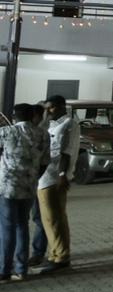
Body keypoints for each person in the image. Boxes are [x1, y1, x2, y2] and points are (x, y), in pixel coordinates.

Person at [1, 104, 51, 282]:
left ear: (14, 116)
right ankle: (21, 269)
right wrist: (34, 177)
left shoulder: (6, 132)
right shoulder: (43, 134)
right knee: (22, 225)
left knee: (7, 228)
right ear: (32, 116)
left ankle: (4, 270)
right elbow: (45, 161)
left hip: (7, 187)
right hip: (29, 187)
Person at [36, 95, 80, 274]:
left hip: (54, 178)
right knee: (49, 219)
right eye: (46, 108)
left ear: (62, 106)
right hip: (44, 178)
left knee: (55, 219)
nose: (48, 111)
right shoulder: (51, 124)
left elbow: (65, 152)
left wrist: (62, 175)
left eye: (52, 108)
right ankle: (54, 254)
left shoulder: (69, 124)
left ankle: (61, 257)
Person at [28, 104, 48, 267]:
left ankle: (38, 253)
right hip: (30, 182)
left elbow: (45, 161)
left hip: (39, 183)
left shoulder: (44, 132)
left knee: (39, 218)